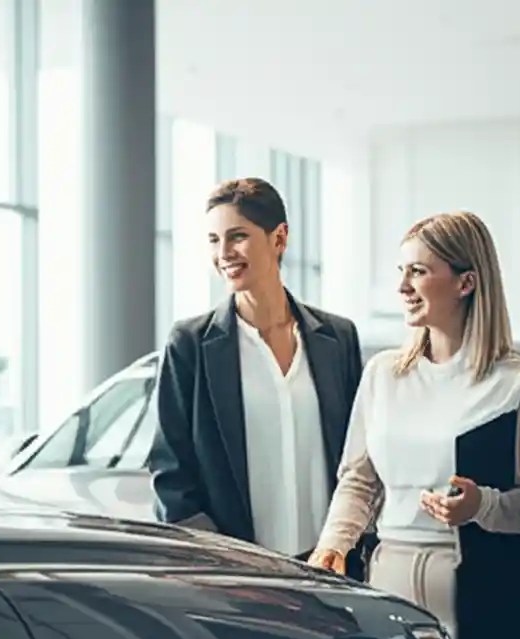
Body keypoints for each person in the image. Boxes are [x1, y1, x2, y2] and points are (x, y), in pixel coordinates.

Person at [311, 211, 520, 639]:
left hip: (482, 591)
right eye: (401, 271)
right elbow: (359, 480)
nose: (402, 286)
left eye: (418, 271)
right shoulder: (382, 376)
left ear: (466, 282)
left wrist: (481, 505)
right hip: (390, 580)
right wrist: (334, 545)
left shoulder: (514, 383)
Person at [146, 177, 365, 568]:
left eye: (237, 236)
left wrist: (349, 544)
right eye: (213, 240)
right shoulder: (190, 344)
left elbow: (361, 462)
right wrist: (223, 563)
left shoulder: (338, 339)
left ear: (279, 238)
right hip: (240, 578)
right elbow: (171, 476)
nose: (224, 253)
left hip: (333, 568)